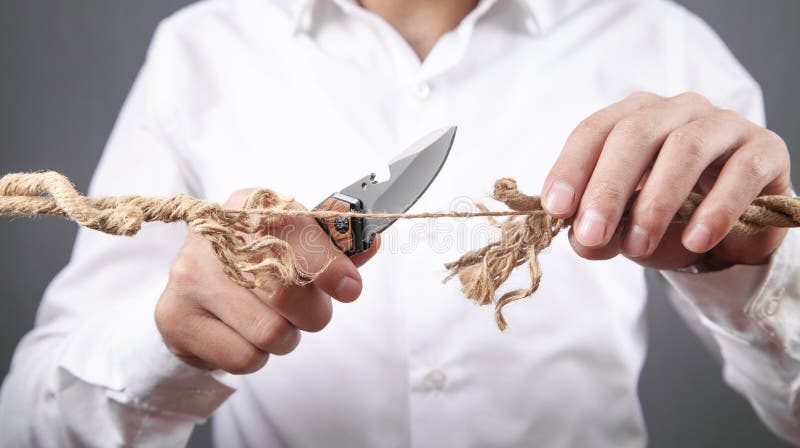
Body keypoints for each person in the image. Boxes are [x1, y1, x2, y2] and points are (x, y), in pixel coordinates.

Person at [1, 0, 798, 446]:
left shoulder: (662, 41)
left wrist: (748, 267)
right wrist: (165, 344)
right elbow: (27, 424)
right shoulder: (202, 49)